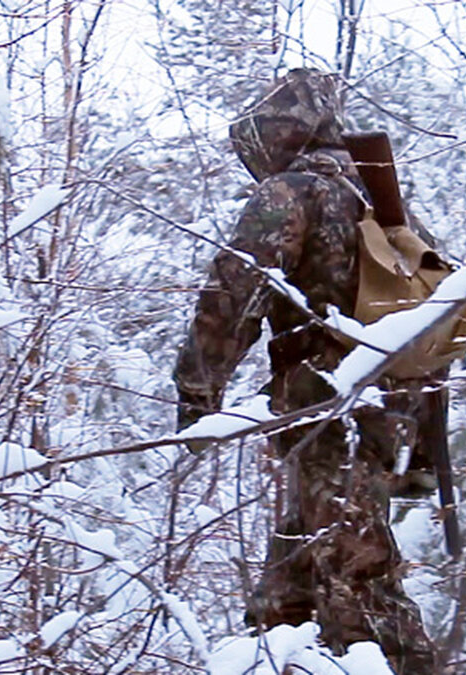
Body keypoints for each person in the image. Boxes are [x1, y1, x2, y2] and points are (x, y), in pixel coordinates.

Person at [173, 69, 439, 674]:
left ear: (274, 136)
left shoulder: (292, 192)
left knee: (359, 584)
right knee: (285, 594)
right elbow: (433, 312)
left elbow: (233, 291)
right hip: (382, 413)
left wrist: (197, 391)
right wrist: (419, 444)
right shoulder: (383, 202)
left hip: (328, 408)